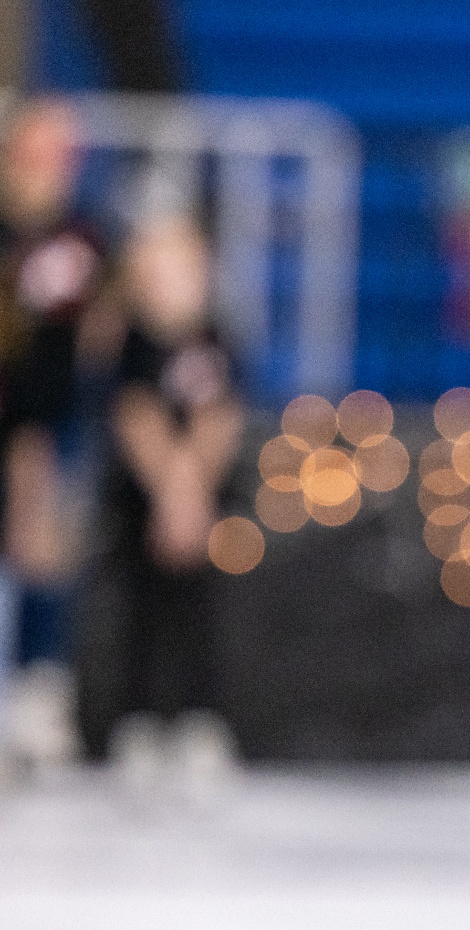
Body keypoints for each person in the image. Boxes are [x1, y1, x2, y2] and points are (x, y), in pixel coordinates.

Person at [76, 214, 243, 792]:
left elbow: (221, 417)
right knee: (138, 609)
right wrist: (171, 491)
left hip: (203, 501)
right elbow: (134, 415)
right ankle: (138, 720)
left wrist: (192, 492)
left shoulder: (218, 336)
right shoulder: (133, 340)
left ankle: (201, 719)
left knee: (200, 609)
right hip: (139, 499)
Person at [0, 97, 113, 777]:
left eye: (63, 157)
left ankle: (38, 698)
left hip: (56, 417)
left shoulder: (85, 238)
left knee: (43, 554)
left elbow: (98, 334)